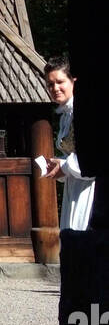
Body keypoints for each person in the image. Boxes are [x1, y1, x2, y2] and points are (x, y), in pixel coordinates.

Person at [43, 59, 95, 231]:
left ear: (73, 81)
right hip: (75, 187)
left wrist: (65, 165)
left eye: (60, 82)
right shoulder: (66, 114)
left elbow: (94, 158)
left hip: (91, 190)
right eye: (50, 84)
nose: (55, 88)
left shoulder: (85, 111)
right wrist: (58, 167)